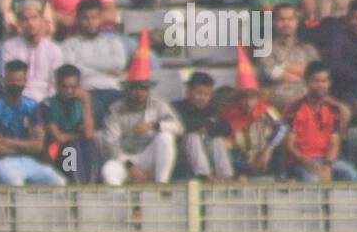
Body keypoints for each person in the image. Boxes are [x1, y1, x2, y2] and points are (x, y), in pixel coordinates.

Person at [100, 41, 183, 185]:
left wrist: (154, 126)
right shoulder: (116, 111)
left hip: (149, 156)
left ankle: (161, 185)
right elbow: (111, 144)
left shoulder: (158, 105)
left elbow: (178, 128)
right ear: (127, 90)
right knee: (108, 171)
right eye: (135, 89)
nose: (139, 93)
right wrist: (130, 166)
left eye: (143, 89)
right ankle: (121, 205)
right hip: (125, 159)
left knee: (166, 138)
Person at [0, 59, 66, 186]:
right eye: (11, 80)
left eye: (19, 81)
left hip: (29, 161)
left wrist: (7, 141)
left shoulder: (32, 106)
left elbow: (39, 145)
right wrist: (27, 146)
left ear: (25, 81)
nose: (15, 84)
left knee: (59, 182)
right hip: (2, 162)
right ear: (4, 81)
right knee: (16, 184)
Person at [284, 61, 357, 181]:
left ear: (329, 83)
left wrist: (327, 166)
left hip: (326, 160)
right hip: (301, 162)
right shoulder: (295, 109)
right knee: (313, 181)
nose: (320, 85)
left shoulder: (333, 109)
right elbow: (290, 145)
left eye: (324, 81)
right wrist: (310, 165)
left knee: (352, 175)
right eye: (316, 81)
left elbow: (334, 143)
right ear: (306, 82)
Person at [43, 64, 99, 184]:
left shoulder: (84, 103)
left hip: (82, 149)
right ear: (57, 86)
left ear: (79, 86)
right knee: (71, 147)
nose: (69, 91)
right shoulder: (47, 105)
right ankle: (76, 184)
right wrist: (78, 136)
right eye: (65, 87)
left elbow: (88, 134)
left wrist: (86, 103)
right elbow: (58, 137)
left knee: (90, 144)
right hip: (56, 152)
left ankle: (91, 184)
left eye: (73, 87)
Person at [173, 70, 233, 179]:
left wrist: (206, 128)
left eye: (207, 94)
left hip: (207, 149)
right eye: (199, 93)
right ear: (188, 91)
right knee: (193, 136)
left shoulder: (212, 109)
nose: (203, 98)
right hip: (182, 153)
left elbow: (227, 128)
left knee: (217, 139)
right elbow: (183, 127)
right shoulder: (178, 107)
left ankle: (225, 175)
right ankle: (204, 176)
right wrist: (206, 124)